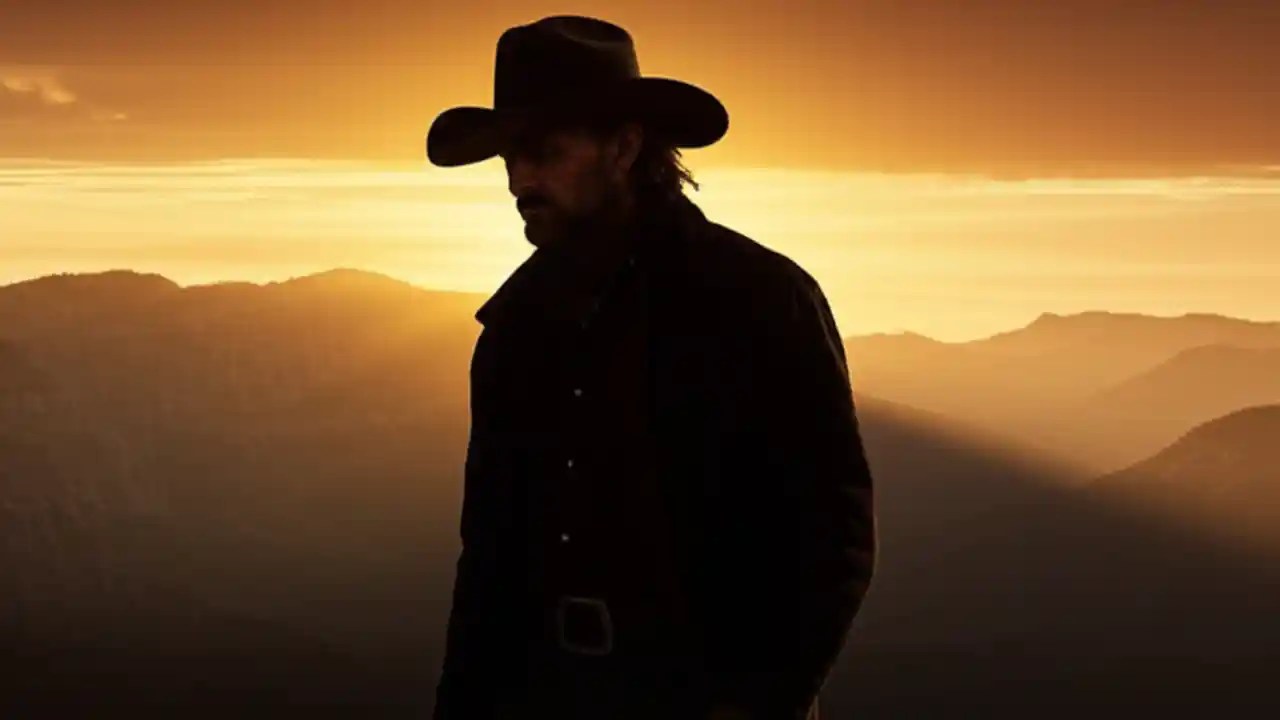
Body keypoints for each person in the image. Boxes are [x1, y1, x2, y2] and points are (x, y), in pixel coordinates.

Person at [426, 15, 877, 720]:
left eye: (544, 150)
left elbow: (830, 534)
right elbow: (489, 558)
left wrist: (761, 704)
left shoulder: (755, 298)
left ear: (625, 146)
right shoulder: (516, 331)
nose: (519, 178)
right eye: (510, 156)